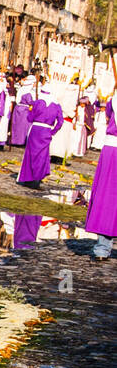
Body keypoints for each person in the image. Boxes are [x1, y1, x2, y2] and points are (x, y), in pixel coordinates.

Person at [85, 96, 116, 260]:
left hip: (111, 150)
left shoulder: (114, 99)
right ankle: (102, 248)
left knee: (108, 198)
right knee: (108, 198)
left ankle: (102, 249)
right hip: (113, 148)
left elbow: (109, 115)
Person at [16, 80, 63, 189]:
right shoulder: (56, 106)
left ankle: (28, 178)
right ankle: (37, 178)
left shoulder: (37, 103)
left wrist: (30, 110)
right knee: (42, 156)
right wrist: (52, 131)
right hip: (46, 131)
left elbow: (29, 118)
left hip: (36, 130)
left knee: (31, 154)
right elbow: (60, 122)